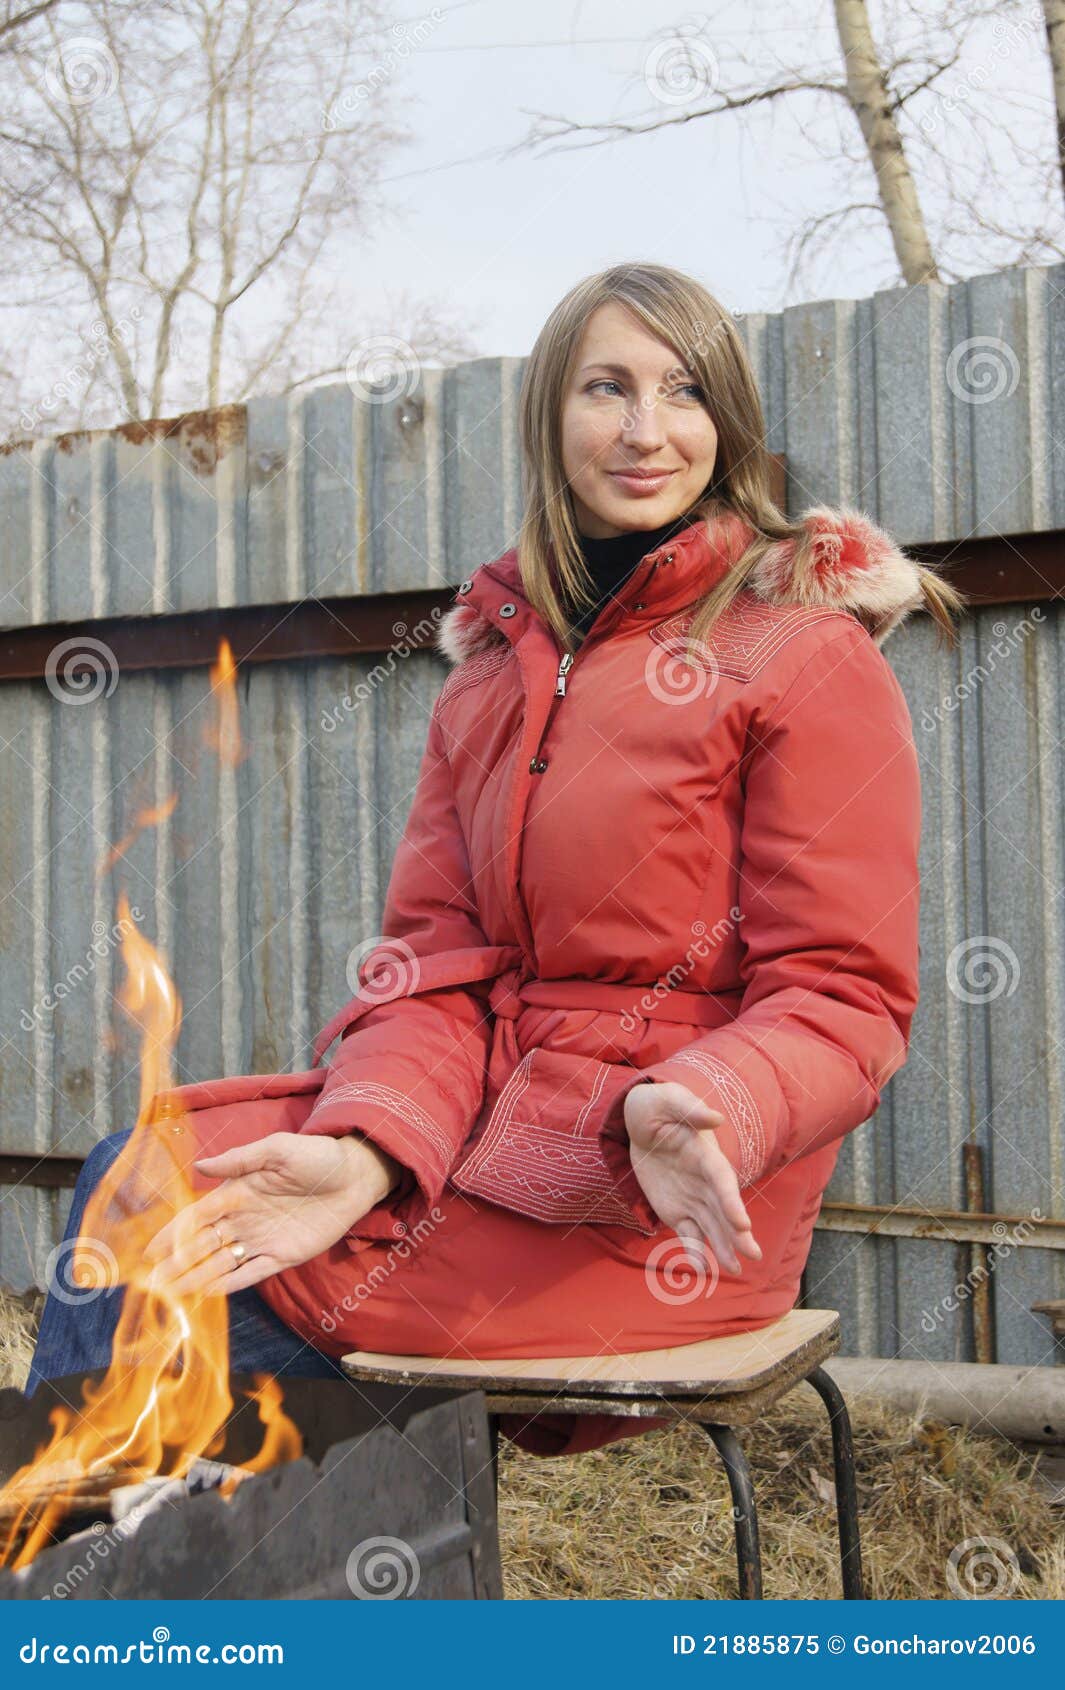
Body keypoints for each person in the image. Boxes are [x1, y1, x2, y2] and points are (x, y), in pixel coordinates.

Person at [27, 262, 965, 1456]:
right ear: (548, 420)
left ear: (725, 424)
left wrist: (709, 1103)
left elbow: (846, 998)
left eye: (683, 392)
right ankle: (122, 1606)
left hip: (661, 1190)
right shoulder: (491, 672)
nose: (644, 430)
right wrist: (370, 1150)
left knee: (223, 1315)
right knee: (139, 1176)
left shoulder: (802, 655)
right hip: (475, 1134)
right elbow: (434, 970)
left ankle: (135, 1610)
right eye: (605, 388)